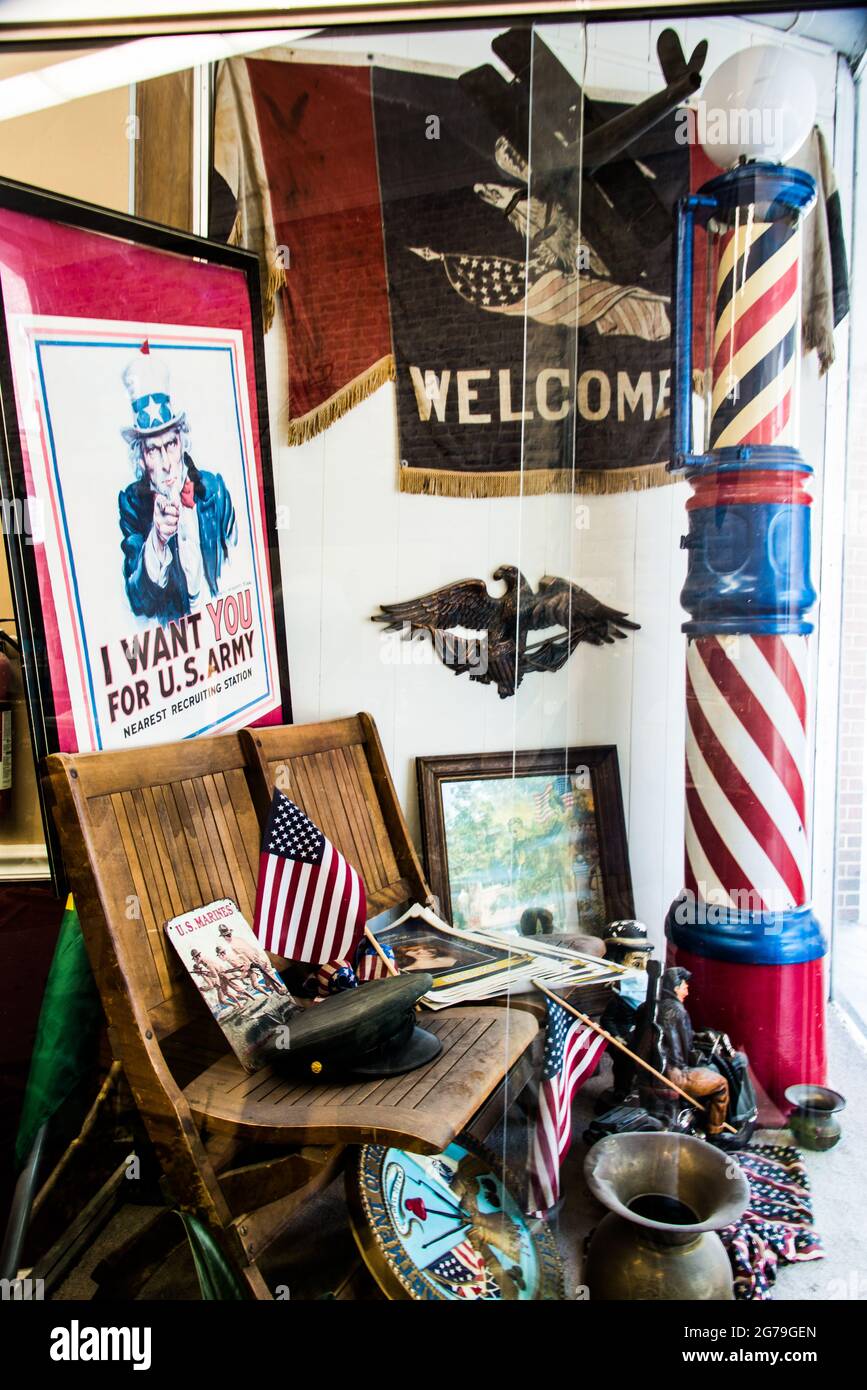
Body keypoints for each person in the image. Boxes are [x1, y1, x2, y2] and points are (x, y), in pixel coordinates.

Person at [118, 343, 237, 623]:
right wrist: (157, 540)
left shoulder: (215, 489)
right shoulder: (133, 504)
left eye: (171, 444)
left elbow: (239, 562)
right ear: (141, 459)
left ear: (182, 440)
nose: (166, 462)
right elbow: (138, 601)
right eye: (153, 450)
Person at [657, 966, 730, 1137]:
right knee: (721, 1084)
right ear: (676, 988)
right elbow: (682, 1049)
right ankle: (715, 1132)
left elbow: (675, 1035)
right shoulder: (678, 1011)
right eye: (685, 986)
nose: (687, 990)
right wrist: (697, 1056)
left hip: (658, 1070)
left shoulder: (656, 1006)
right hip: (675, 1074)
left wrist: (699, 1035)